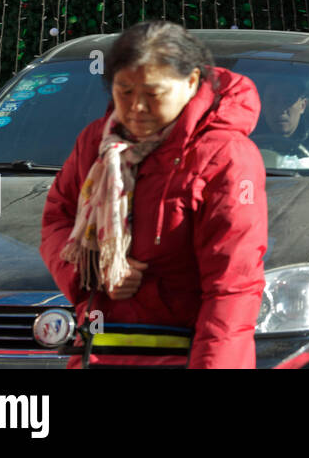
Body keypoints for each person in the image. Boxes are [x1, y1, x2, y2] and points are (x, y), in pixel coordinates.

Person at [39, 21, 268, 368]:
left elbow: (232, 287)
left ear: (191, 82)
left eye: (153, 94)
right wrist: (97, 272)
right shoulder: (97, 144)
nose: (137, 108)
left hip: (180, 357)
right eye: (125, 91)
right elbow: (57, 217)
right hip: (97, 352)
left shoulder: (224, 156)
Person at [253, 77, 309, 170]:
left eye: (288, 101)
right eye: (272, 101)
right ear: (263, 106)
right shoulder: (248, 140)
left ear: (303, 106)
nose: (280, 110)